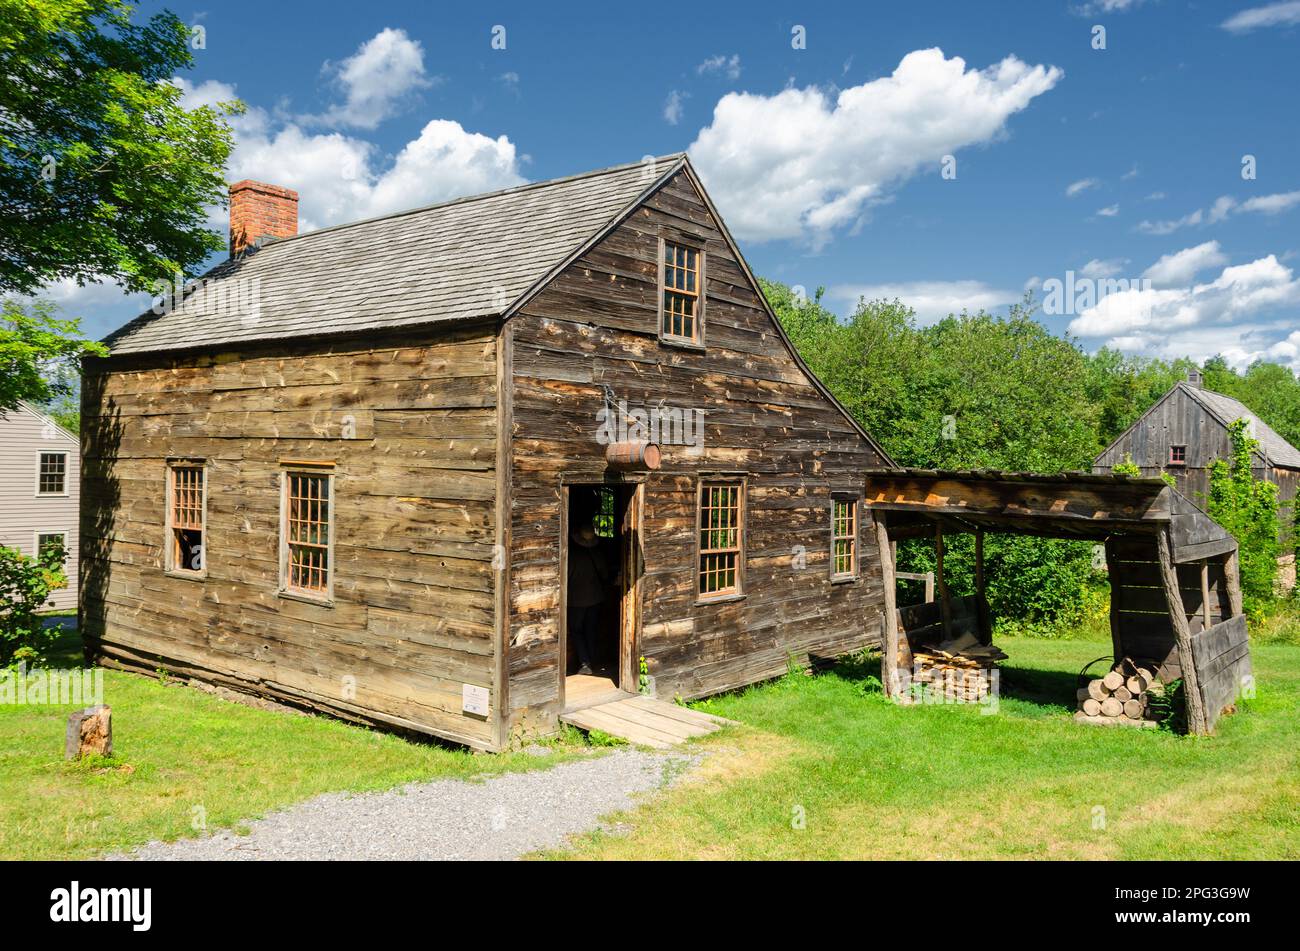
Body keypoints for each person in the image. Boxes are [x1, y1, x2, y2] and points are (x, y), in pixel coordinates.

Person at [567, 521, 610, 675]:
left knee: (576, 630)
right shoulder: (597, 554)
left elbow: (567, 577)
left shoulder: (571, 554)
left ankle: (585, 663)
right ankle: (590, 660)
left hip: (576, 600)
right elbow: (605, 574)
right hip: (596, 598)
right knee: (590, 629)